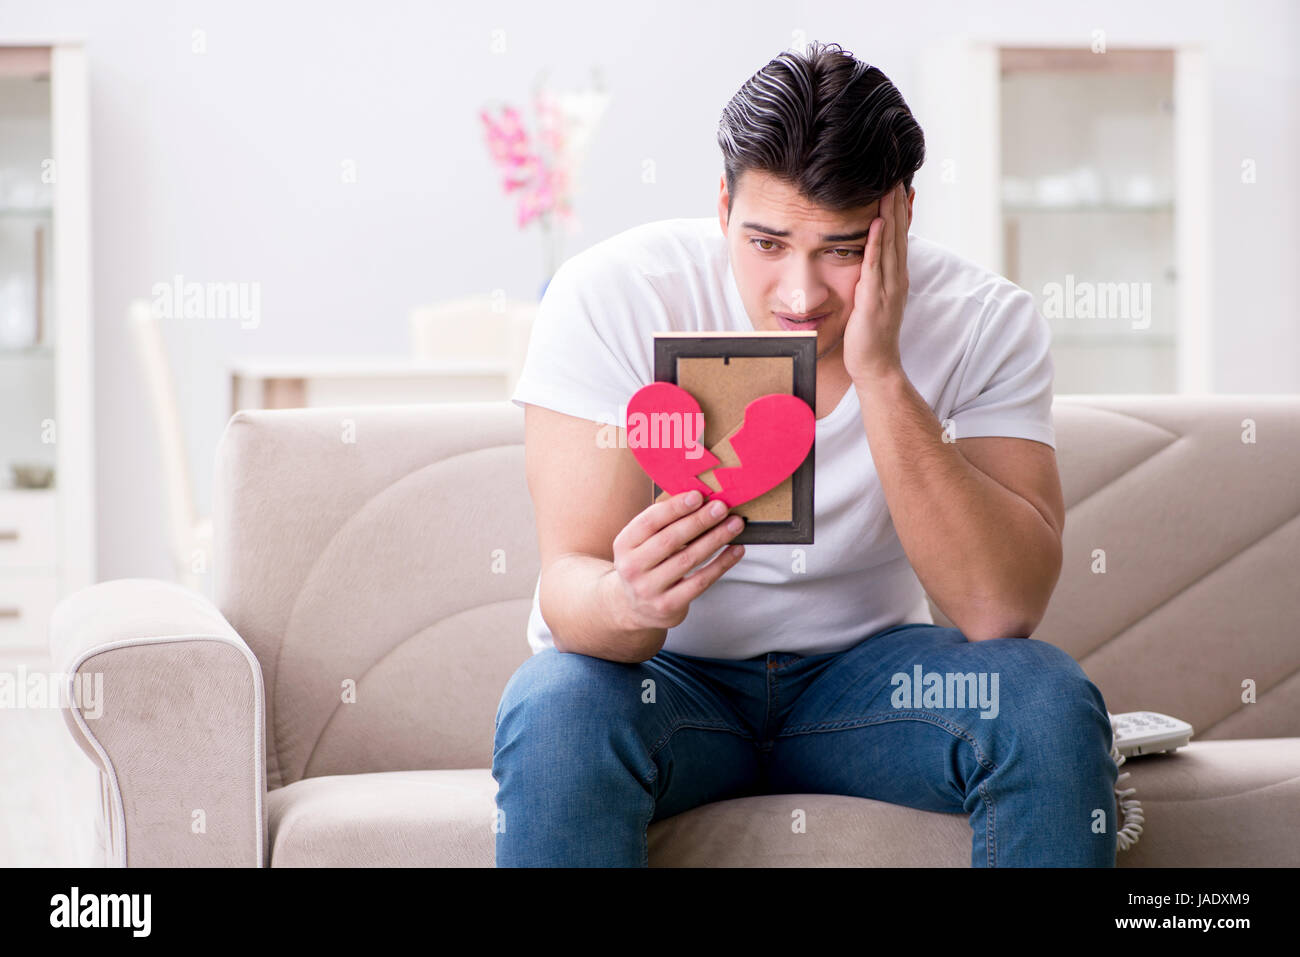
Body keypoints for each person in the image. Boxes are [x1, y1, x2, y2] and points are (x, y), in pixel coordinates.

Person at [493, 40, 1117, 867]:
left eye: (844, 250)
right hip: (667, 680)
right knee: (555, 705)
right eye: (767, 243)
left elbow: (1000, 609)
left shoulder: (982, 319)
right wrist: (630, 596)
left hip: (873, 684)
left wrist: (883, 373)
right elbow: (568, 582)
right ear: (722, 207)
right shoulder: (613, 294)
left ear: (900, 215)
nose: (800, 295)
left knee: (1043, 701)